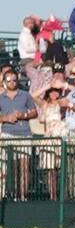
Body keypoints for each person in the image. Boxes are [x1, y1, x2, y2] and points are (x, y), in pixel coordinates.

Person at [0, 66, 37, 199]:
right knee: (13, 169)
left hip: (24, 134)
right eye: (9, 81)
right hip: (7, 135)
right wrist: (6, 118)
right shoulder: (1, 97)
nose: (12, 83)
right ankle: (14, 195)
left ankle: (23, 196)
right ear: (4, 81)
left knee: (24, 168)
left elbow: (34, 112)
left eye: (14, 80)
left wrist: (23, 115)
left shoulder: (25, 95)